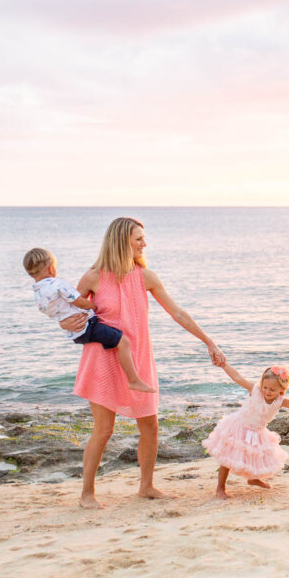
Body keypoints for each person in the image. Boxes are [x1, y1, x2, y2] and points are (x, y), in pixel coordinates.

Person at [59, 217, 225, 508]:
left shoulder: (145, 276)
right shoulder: (93, 276)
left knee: (151, 426)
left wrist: (209, 342)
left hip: (139, 358)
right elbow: (68, 315)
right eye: (138, 238)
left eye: (143, 238)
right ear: (121, 240)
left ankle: (146, 486)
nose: (144, 243)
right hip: (103, 360)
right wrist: (65, 324)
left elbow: (178, 313)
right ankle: (87, 493)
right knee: (104, 430)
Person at [23, 247, 154, 393]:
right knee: (123, 342)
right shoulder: (57, 284)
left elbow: (50, 312)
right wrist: (94, 306)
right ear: (51, 268)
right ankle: (134, 380)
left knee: (112, 344)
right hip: (88, 326)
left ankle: (119, 383)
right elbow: (78, 300)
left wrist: (63, 321)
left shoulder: (38, 293)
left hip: (76, 333)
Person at [202, 363, 289, 499]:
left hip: (257, 432)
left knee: (255, 456)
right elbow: (237, 377)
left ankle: (252, 478)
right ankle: (220, 488)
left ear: (282, 389)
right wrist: (224, 365)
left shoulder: (280, 401)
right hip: (238, 427)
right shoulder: (255, 390)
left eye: (272, 390)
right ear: (261, 384)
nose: (267, 392)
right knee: (227, 459)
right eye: (265, 387)